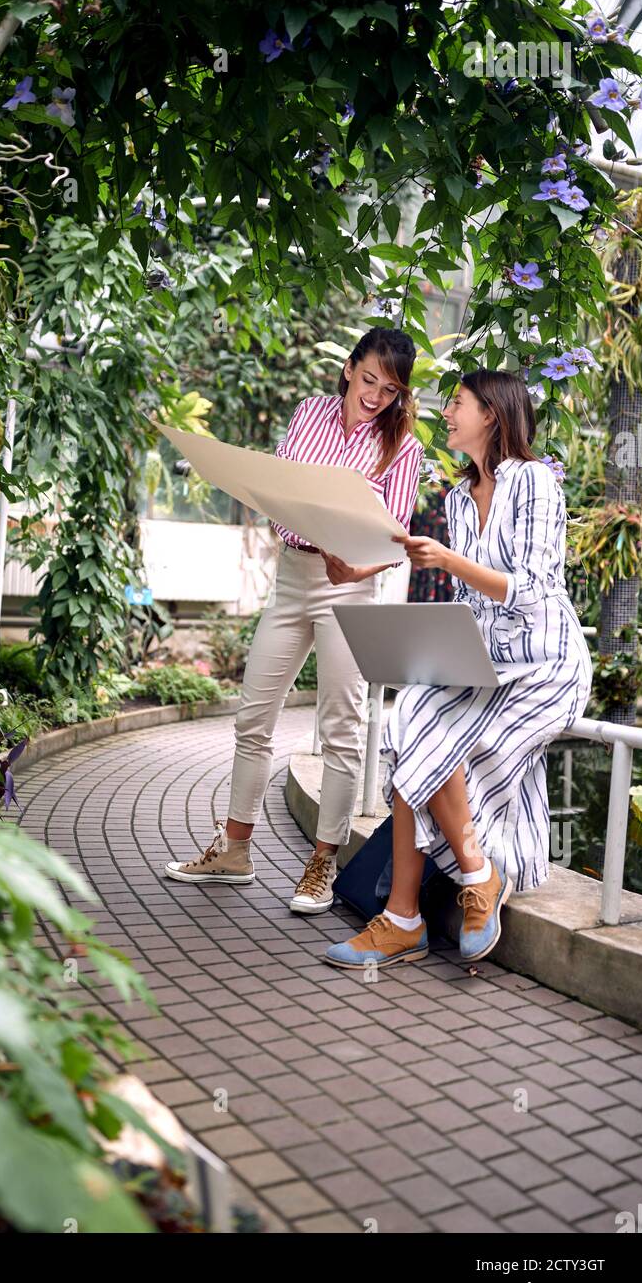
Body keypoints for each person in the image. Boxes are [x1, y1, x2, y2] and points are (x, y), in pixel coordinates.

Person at [324, 368, 593, 969]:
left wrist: (449, 560)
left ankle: (455, 888)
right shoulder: (454, 499)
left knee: (448, 748)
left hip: (546, 665)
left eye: (457, 403)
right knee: (412, 712)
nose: (445, 413)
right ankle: (423, 906)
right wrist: (363, 572)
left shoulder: (536, 484)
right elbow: (462, 589)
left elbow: (531, 588)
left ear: (492, 413)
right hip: (487, 661)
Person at [165, 328, 424, 913]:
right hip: (291, 577)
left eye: (390, 389)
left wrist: (350, 571)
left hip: (348, 591)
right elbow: (277, 492)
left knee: (341, 727)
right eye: (368, 380)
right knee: (252, 716)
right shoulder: (308, 414)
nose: (376, 396)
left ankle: (321, 864)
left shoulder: (402, 448)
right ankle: (234, 851)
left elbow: (395, 539)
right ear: (349, 368)